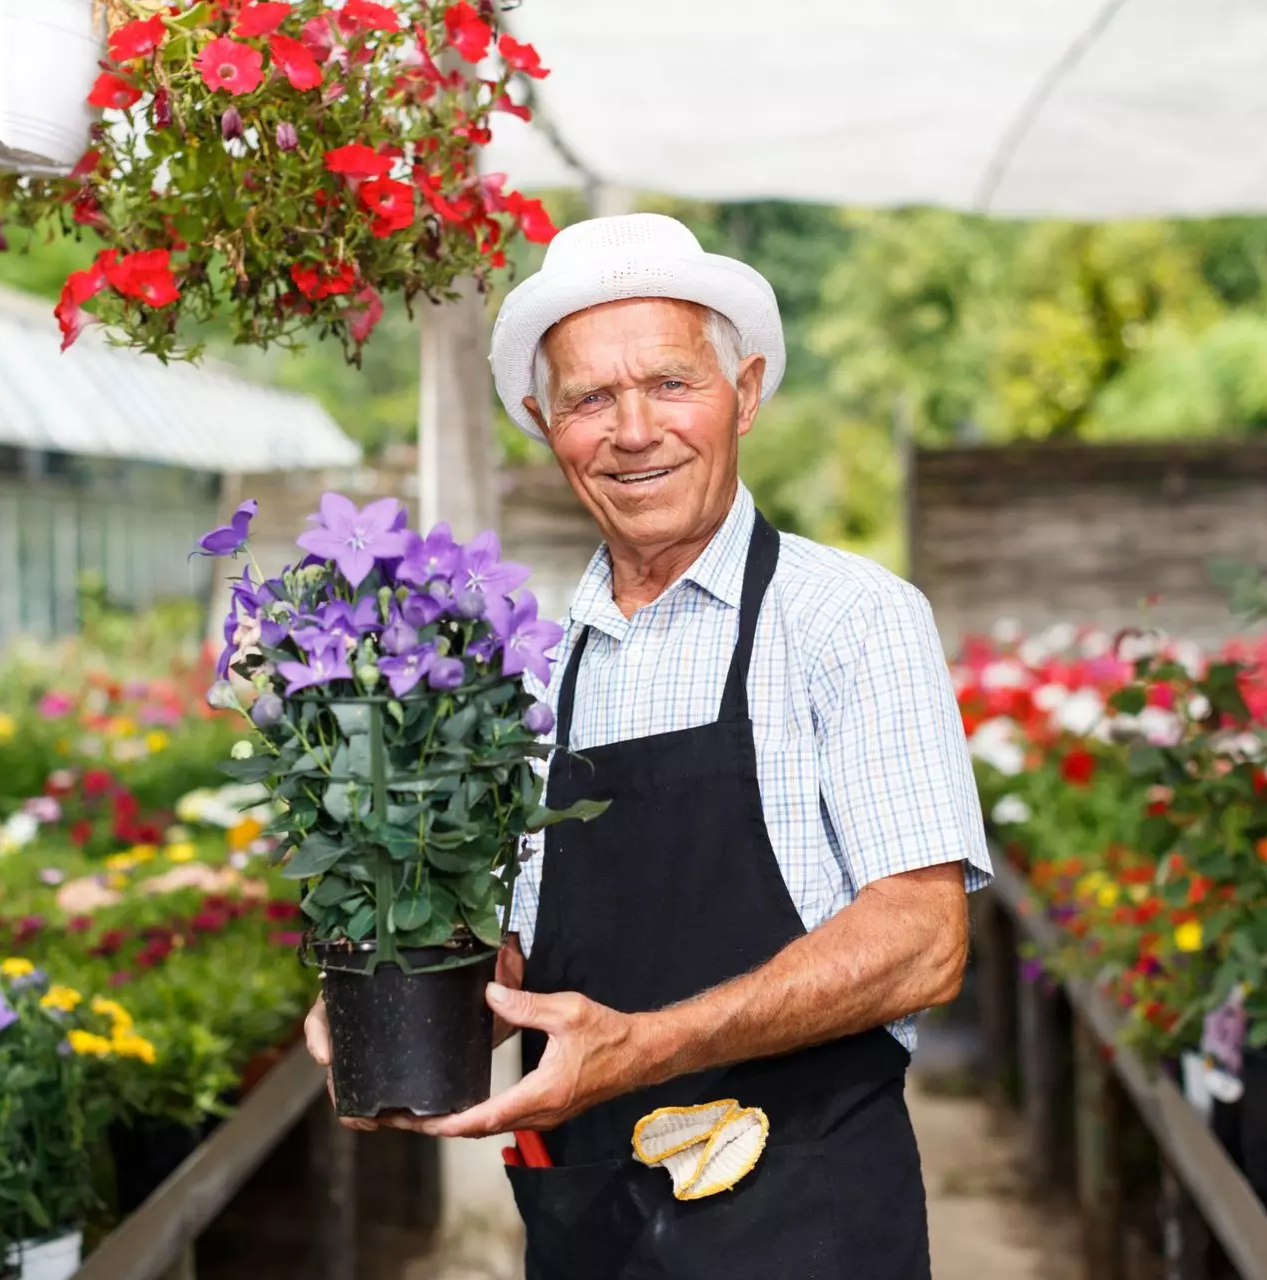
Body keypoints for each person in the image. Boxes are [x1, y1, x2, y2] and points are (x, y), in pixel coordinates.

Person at [304, 212, 992, 1278]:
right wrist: (403, 999)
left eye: (671, 383)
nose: (633, 431)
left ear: (745, 393)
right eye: (589, 398)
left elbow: (922, 936)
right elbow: (530, 940)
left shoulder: (849, 617)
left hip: (805, 1221)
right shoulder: (528, 658)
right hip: (595, 1225)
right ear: (545, 420)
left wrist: (646, 1045)